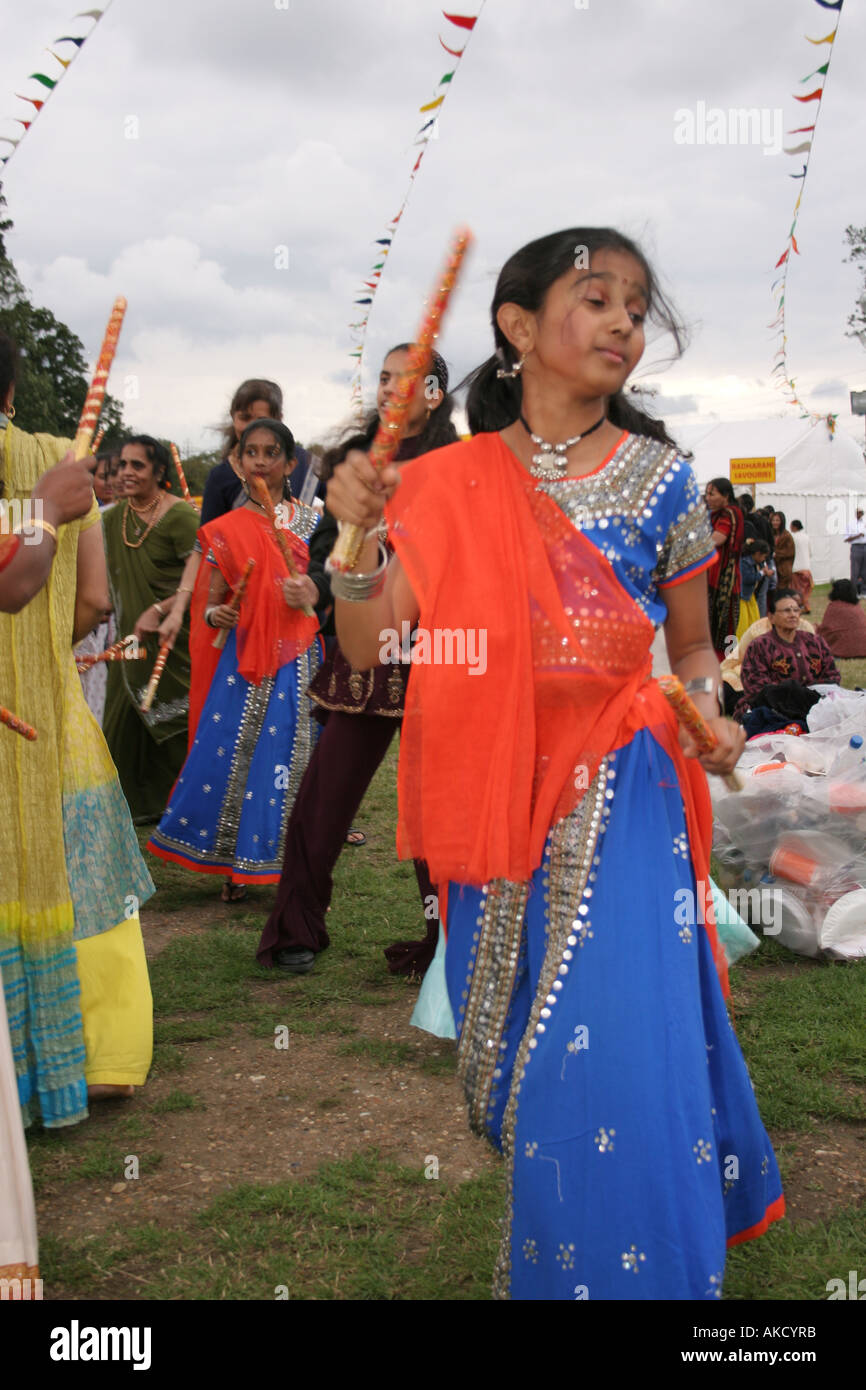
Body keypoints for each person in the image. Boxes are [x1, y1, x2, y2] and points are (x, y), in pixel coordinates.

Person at [325, 227, 783, 1300]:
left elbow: (692, 648)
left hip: (626, 787)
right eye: (595, 297)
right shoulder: (443, 482)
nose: (624, 320)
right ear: (517, 326)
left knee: (616, 1041)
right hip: (495, 798)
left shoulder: (663, 481)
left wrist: (709, 715)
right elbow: (372, 644)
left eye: (635, 304)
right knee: (534, 1057)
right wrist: (354, 542)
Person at [256, 345, 460, 975]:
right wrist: (319, 585)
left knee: (440, 804)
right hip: (368, 651)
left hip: (443, 652)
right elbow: (326, 552)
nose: (391, 389)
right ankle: (296, 926)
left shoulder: (461, 464)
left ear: (435, 392)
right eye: (383, 377)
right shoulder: (352, 462)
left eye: (408, 379)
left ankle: (450, 938)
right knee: (326, 794)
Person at [0, 332, 154, 1130]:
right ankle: (92, 1061)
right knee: (75, 870)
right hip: (48, 710)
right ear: (13, 391)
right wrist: (37, 659)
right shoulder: (59, 462)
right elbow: (94, 601)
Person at [147, 420, 324, 899]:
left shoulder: (312, 523)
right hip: (245, 664)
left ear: (290, 463)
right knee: (235, 758)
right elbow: (213, 604)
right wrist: (217, 612)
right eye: (252, 452)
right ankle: (235, 866)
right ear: (238, 462)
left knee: (293, 759)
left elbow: (330, 594)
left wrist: (310, 594)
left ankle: (293, 864)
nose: (261, 461)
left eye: (272, 453)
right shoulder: (221, 532)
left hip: (300, 661)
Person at [102, 436, 199, 821]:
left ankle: (190, 804)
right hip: (130, 637)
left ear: (159, 472)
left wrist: (160, 609)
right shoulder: (110, 519)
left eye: (137, 465)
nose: (126, 472)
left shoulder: (181, 517)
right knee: (119, 724)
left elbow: (207, 578)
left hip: (176, 638)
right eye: (122, 465)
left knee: (176, 722)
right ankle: (129, 805)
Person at [737, 589, 840, 722]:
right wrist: (794, 695)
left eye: (796, 610)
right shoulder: (760, 646)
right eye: (786, 611)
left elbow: (832, 676)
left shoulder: (815, 641)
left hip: (816, 705)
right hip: (775, 709)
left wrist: (811, 697)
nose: (793, 615)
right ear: (771, 617)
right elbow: (757, 688)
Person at [705, 477, 743, 659]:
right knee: (722, 627)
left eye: (712, 494)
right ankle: (727, 661)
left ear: (726, 496)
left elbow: (717, 539)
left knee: (723, 625)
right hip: (719, 579)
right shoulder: (726, 513)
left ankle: (727, 665)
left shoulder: (728, 514)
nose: (708, 498)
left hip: (723, 581)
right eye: (707, 494)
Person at [816, 578, 866, 659]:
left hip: (844, 652)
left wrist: (815, 629)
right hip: (863, 650)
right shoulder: (857, 607)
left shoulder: (834, 607)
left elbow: (825, 633)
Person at [736, 539, 768, 641]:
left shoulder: (753, 562)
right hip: (743, 596)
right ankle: (741, 643)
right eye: (763, 556)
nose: (764, 559)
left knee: (754, 619)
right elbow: (747, 578)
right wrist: (761, 573)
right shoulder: (745, 563)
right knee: (743, 622)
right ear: (758, 554)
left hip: (749, 596)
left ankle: (753, 640)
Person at [789, 519, 812, 613]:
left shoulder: (792, 537)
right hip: (806, 567)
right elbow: (811, 552)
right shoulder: (807, 537)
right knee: (805, 590)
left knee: (796, 590)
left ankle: (801, 607)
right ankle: (806, 606)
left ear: (794, 527)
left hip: (796, 568)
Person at [843, 509, 866, 596]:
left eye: (861, 513)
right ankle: (854, 591)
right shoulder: (851, 524)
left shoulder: (864, 523)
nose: (859, 514)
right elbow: (846, 539)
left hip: (865, 546)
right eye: (858, 512)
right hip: (856, 547)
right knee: (855, 570)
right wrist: (858, 536)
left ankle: (864, 591)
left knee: (864, 570)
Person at [770, 511, 794, 589]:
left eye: (777, 520)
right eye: (773, 520)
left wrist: (776, 554)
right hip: (773, 568)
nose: (775, 522)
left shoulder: (787, 535)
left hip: (783, 570)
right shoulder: (771, 534)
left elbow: (790, 552)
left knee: (781, 592)